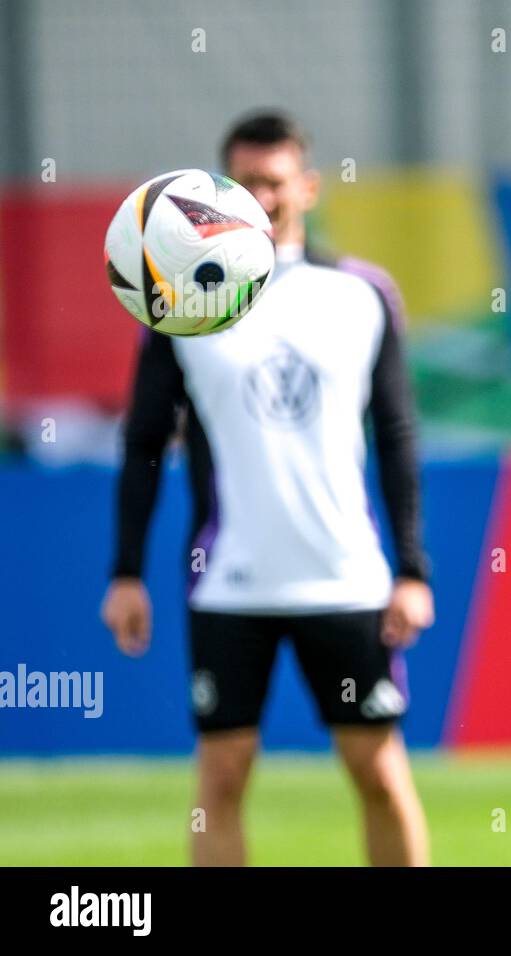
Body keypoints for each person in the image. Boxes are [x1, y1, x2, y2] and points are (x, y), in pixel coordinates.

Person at [100, 110, 434, 866]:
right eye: (245, 182)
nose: (262, 195)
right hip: (229, 583)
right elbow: (145, 443)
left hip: (345, 578)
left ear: (307, 187)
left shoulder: (360, 294)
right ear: (218, 193)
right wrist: (125, 571)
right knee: (221, 775)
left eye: (275, 181)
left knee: (379, 772)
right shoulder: (181, 302)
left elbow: (398, 436)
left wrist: (413, 569)